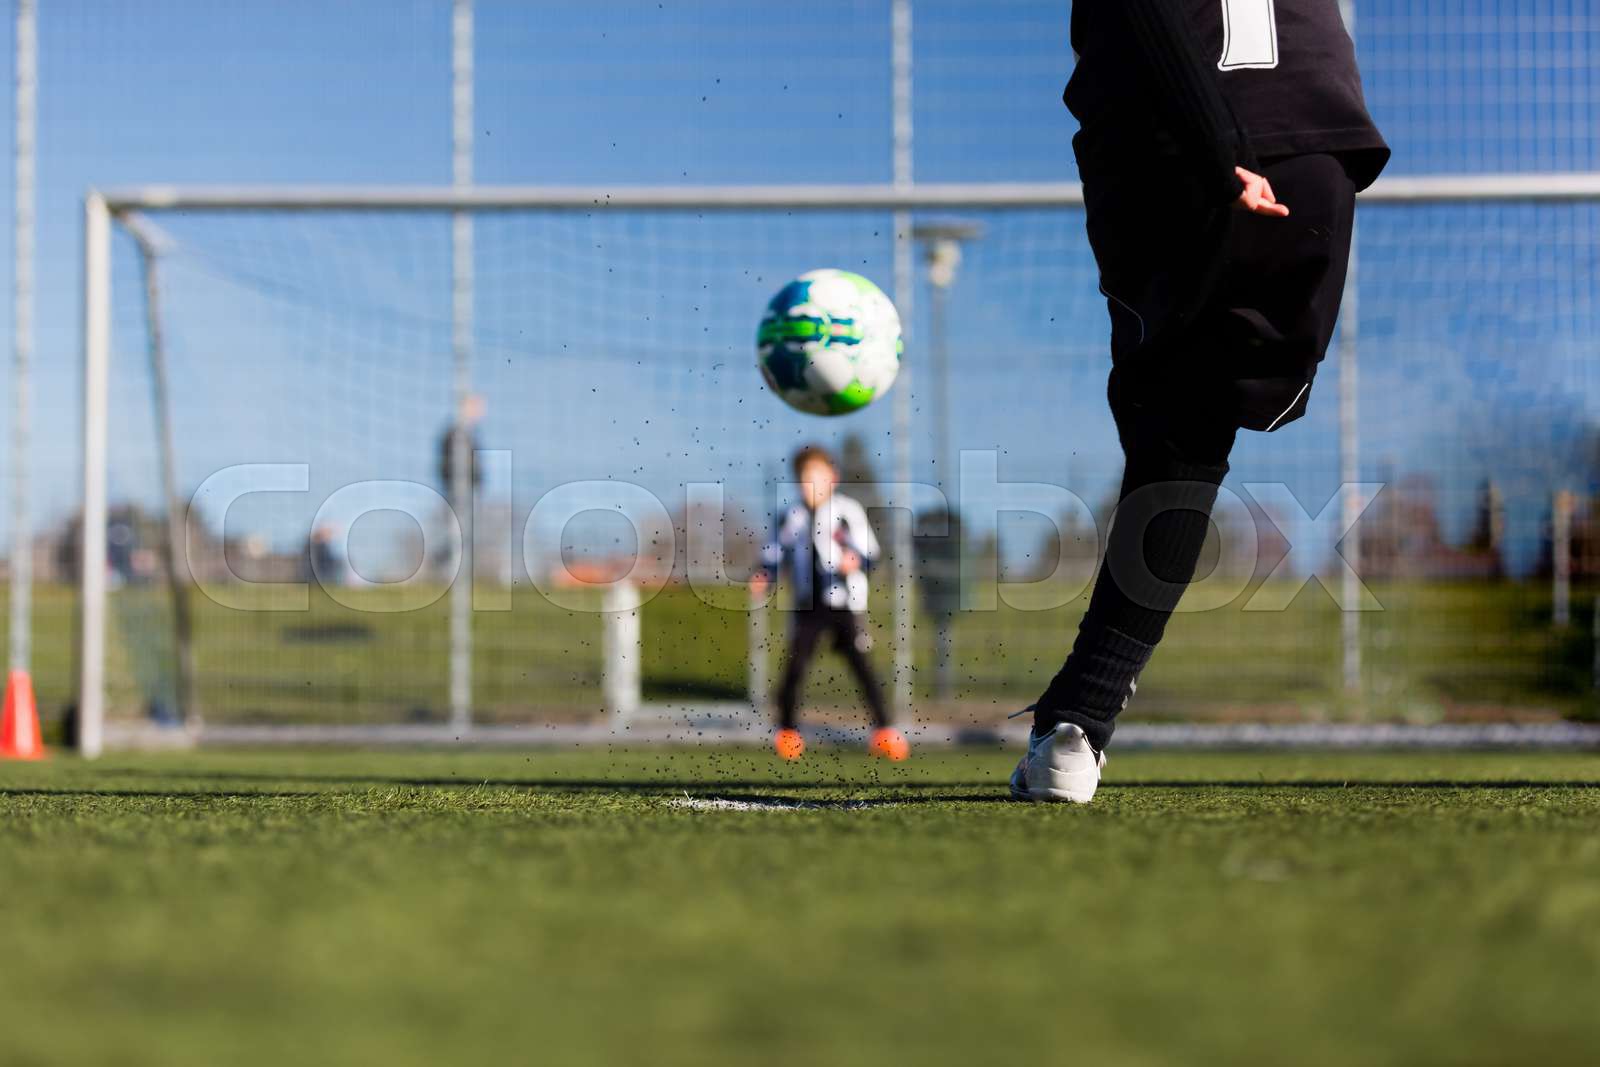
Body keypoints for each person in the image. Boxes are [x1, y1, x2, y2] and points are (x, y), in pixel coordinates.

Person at [1012, 1, 1390, 802]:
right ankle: (1082, 712)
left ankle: (1079, 721)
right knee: (1196, 435)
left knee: (1175, 436)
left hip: (1177, 144)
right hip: (1317, 148)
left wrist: (1215, 145)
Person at [752, 444, 908, 761]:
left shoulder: (847, 512)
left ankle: (885, 731)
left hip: (845, 604)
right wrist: (764, 575)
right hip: (807, 606)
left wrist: (856, 561)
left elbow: (870, 554)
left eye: (818, 477)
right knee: (795, 665)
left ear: (833, 479)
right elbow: (774, 553)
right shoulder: (791, 517)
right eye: (805, 479)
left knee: (862, 665)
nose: (812, 486)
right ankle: (788, 732)